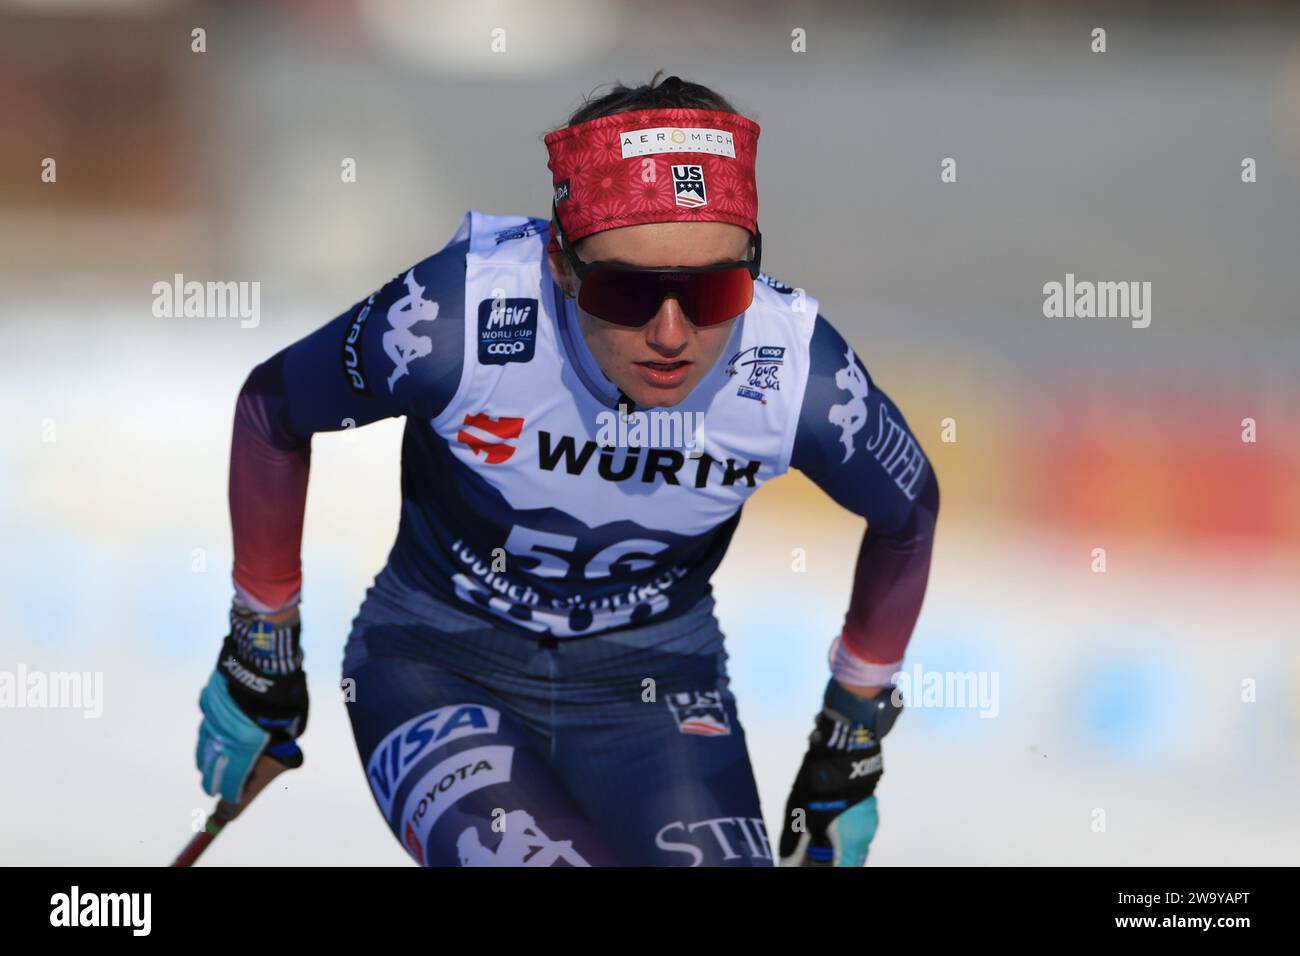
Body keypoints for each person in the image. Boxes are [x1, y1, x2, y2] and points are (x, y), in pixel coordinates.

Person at [194, 72, 940, 867]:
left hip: (652, 686)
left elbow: (909, 512)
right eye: (626, 291)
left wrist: (850, 740)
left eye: (717, 289)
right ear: (559, 263)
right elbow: (273, 409)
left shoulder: (796, 378)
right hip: (440, 665)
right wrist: (261, 641)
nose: (671, 333)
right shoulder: (460, 322)